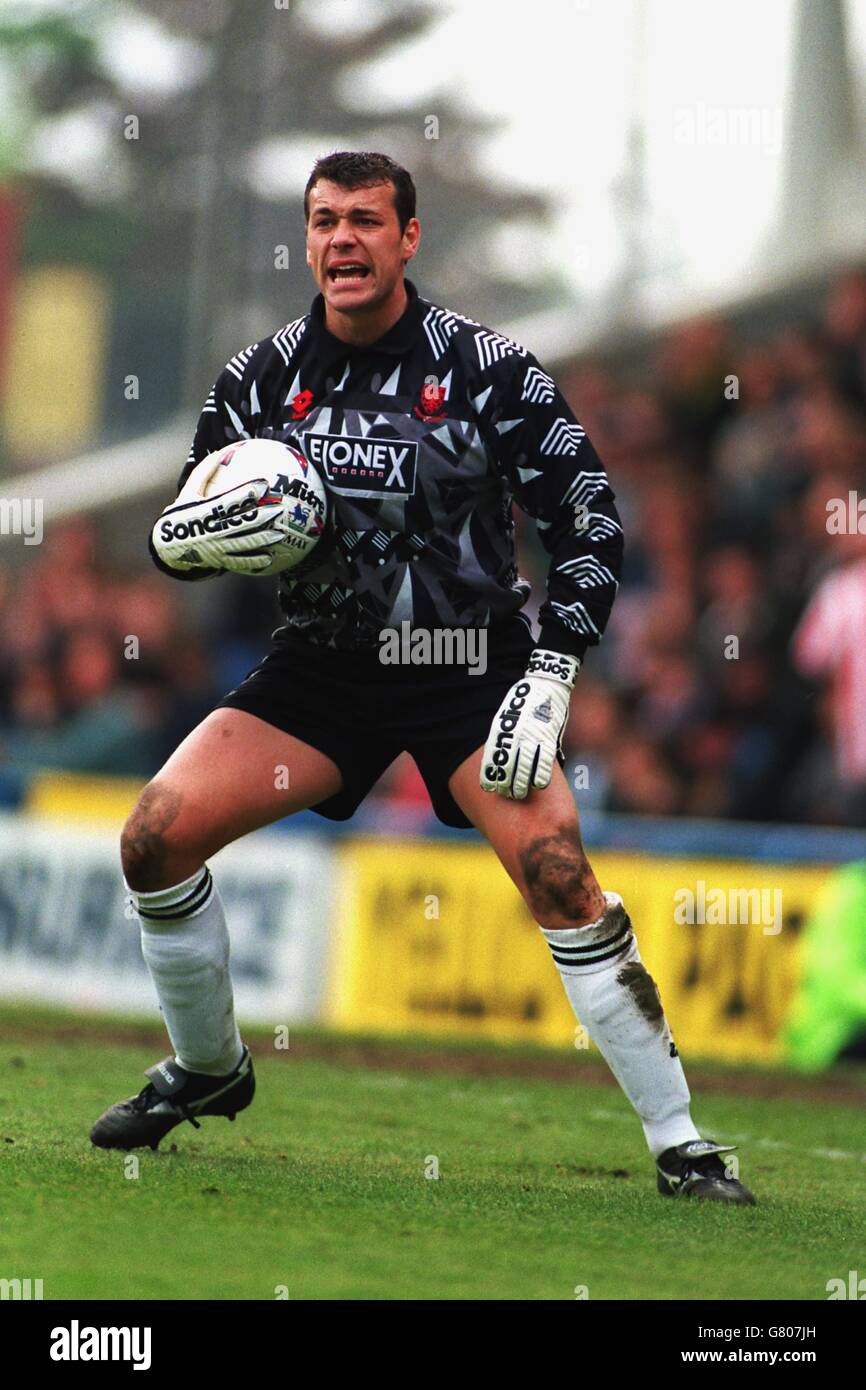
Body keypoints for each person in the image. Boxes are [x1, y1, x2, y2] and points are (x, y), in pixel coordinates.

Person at [90, 151, 754, 1204]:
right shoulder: (258, 378)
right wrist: (210, 529)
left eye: (363, 219)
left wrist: (552, 667)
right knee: (152, 839)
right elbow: (180, 538)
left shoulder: (489, 369)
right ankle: (211, 1069)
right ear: (306, 241)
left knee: (556, 875)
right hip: (320, 672)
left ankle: (681, 1145)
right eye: (322, 221)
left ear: (407, 238)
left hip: (465, 668)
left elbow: (588, 517)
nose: (341, 238)